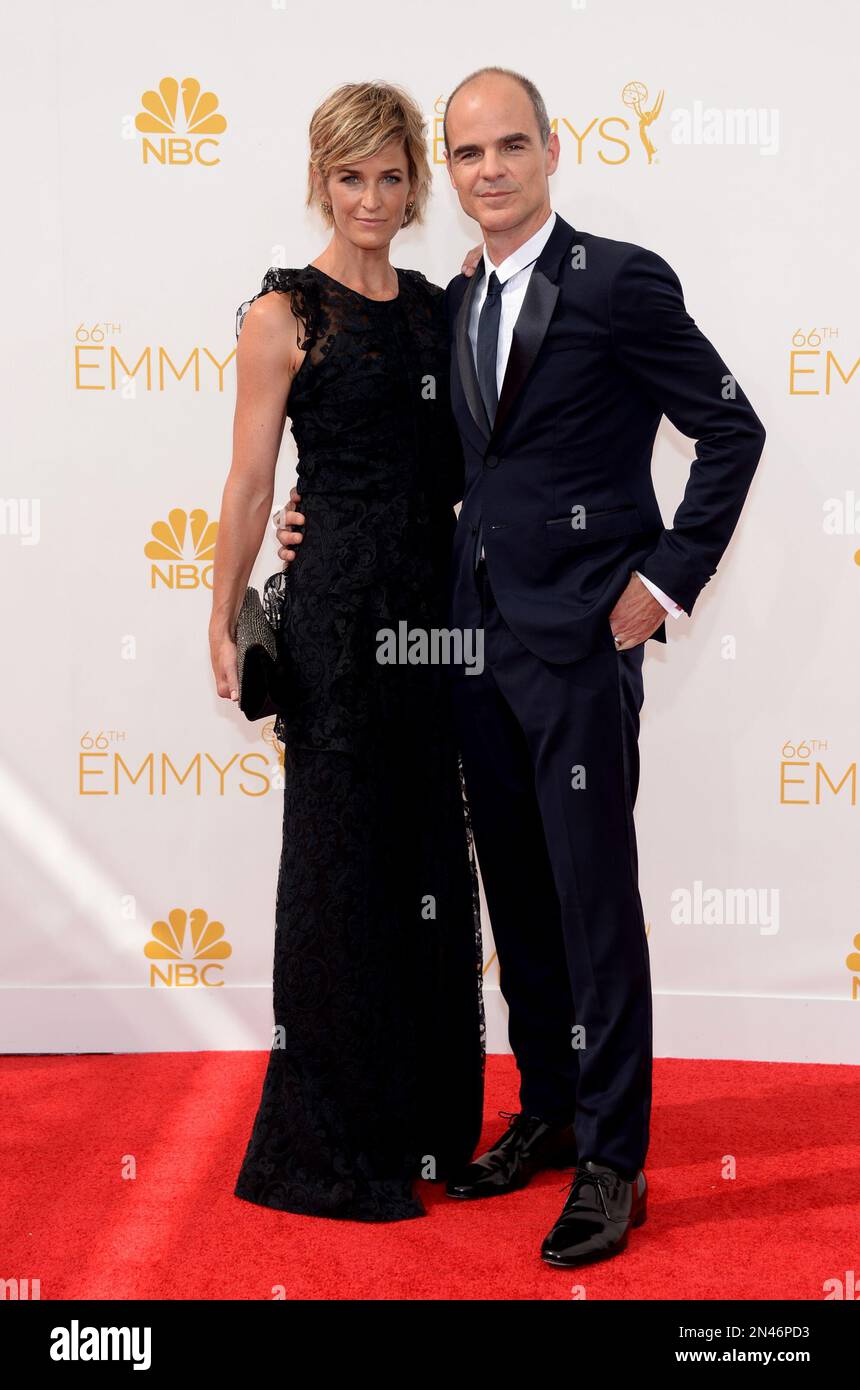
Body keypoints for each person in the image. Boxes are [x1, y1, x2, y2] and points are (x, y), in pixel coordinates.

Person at [277, 66, 766, 1263]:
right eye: (465, 154)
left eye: (507, 146)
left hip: (579, 650)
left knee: (594, 906)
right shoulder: (452, 299)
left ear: (550, 149)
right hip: (472, 648)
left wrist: (658, 583)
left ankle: (612, 1158)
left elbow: (729, 425)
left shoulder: (617, 281)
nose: (485, 169)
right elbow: (420, 450)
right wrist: (311, 513)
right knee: (519, 897)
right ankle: (547, 1107)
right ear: (449, 170)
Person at [208, 81, 485, 1223]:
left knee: (426, 861)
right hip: (335, 622)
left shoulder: (441, 309)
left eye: (388, 175)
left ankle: (422, 1128)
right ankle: (327, 1143)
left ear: (415, 185)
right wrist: (221, 610)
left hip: (433, 620)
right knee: (337, 869)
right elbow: (249, 480)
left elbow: (474, 466)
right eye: (348, 175)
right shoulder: (283, 316)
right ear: (319, 180)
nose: (369, 197)